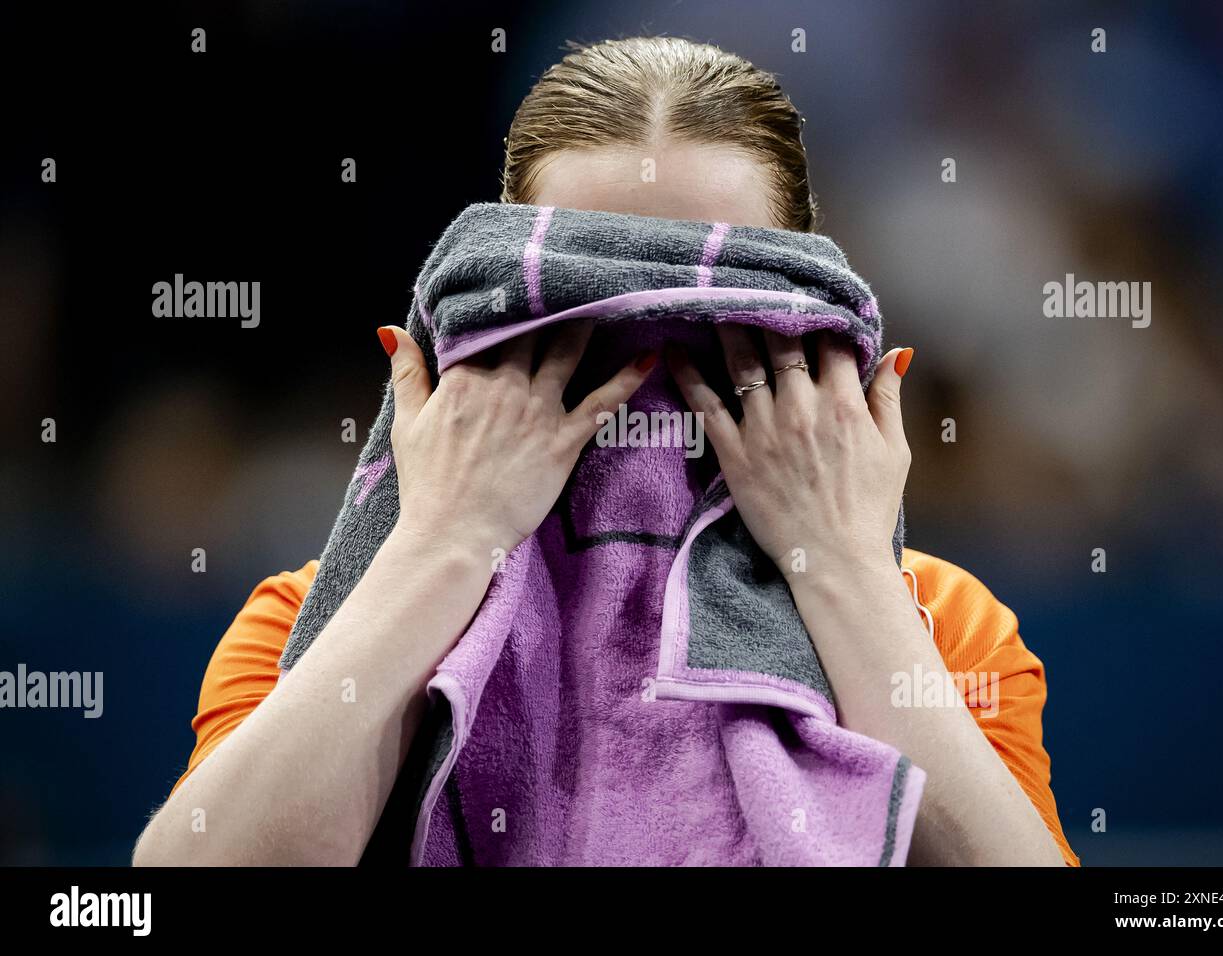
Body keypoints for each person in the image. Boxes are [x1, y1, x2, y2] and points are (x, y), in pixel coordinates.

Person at [133, 36, 1078, 867]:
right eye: (587, 324)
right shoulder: (315, 621)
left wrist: (838, 568)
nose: (651, 385)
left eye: (714, 327)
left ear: (823, 351)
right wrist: (442, 543)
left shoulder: (941, 626)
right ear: (466, 342)